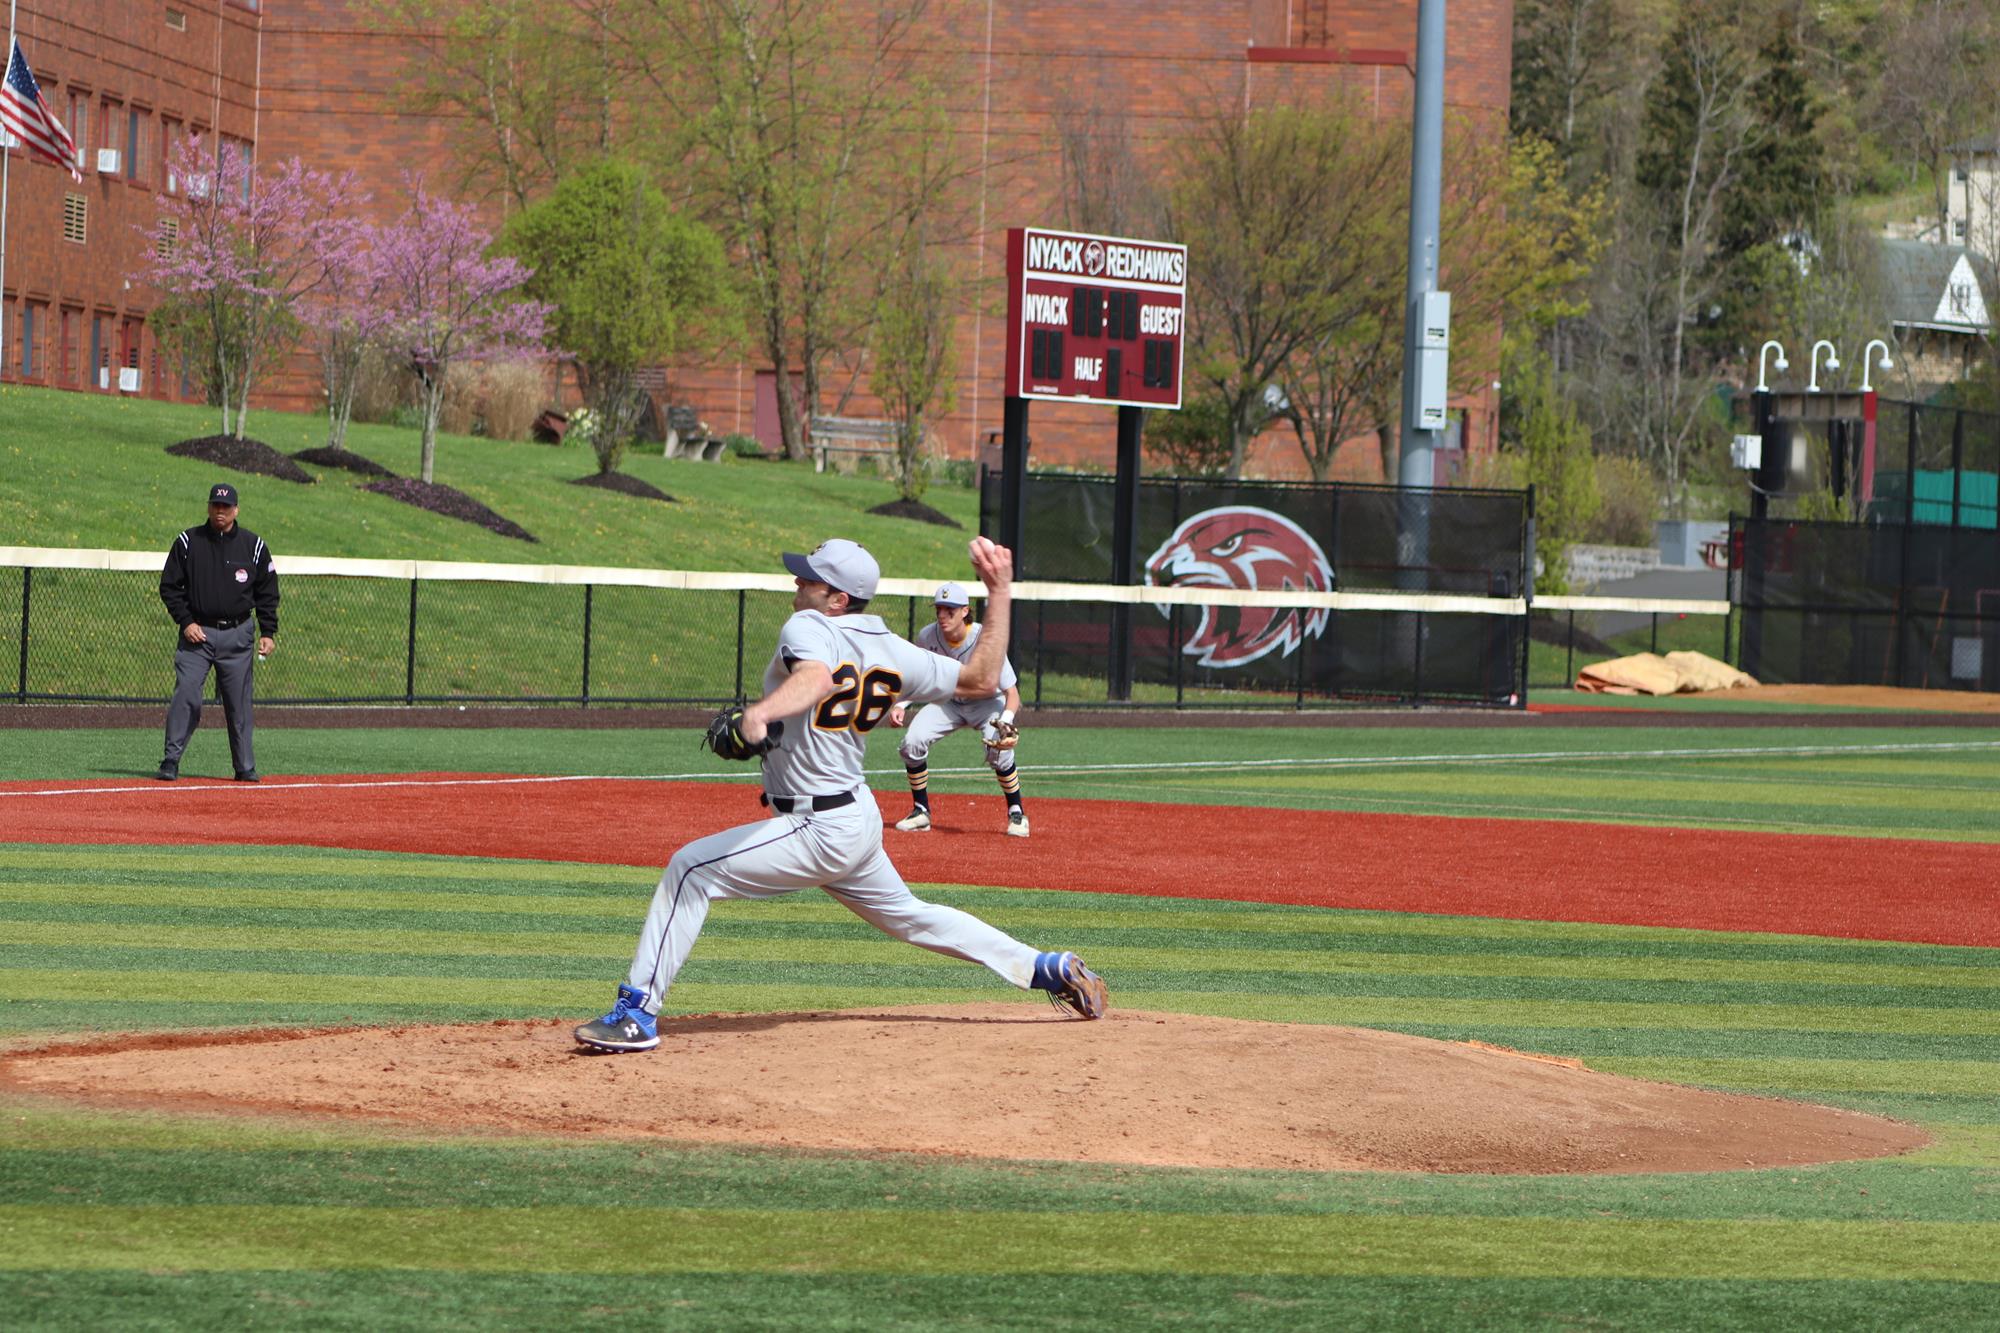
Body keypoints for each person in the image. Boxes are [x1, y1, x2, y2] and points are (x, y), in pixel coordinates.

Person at [574, 535, 1107, 1053]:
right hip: (854, 818)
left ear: (838, 598)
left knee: (690, 870)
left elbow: (817, 678)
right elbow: (981, 678)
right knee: (912, 916)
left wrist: (760, 713)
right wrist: (1000, 595)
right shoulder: (895, 650)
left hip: (817, 827)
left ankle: (637, 1013)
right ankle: (1044, 967)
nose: (798, 581)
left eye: (810, 577)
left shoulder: (809, 624)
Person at [156, 482, 279, 782]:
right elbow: (169, 587)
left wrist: (268, 630)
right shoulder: (188, 542)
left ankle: (244, 766)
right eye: (215, 505)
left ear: (236, 510)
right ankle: (170, 760)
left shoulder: (254, 545)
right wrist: (186, 621)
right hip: (197, 635)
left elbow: (267, 591)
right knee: (186, 695)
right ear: (208, 508)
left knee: (238, 704)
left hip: (237, 635)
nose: (220, 511)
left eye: (226, 507)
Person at [888, 581, 1029, 837]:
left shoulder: (985, 640)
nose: (942, 615)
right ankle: (921, 812)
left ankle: (1016, 812)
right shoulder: (928, 636)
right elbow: (919, 675)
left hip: (987, 704)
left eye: (949, 610)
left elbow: (1012, 693)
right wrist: (902, 703)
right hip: (949, 701)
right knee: (912, 742)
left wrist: (1006, 720)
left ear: (965, 611)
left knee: (997, 751)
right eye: (939, 609)